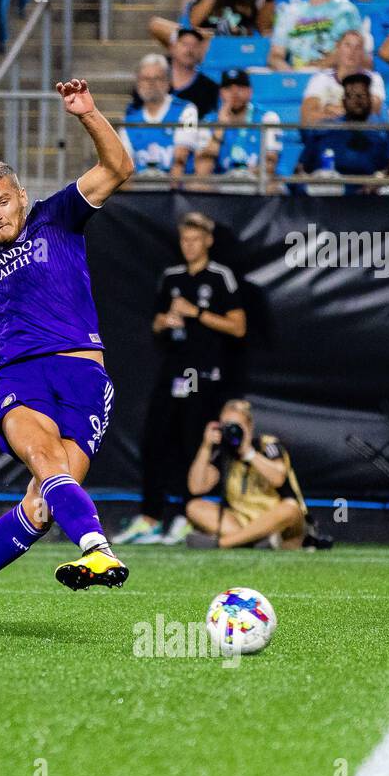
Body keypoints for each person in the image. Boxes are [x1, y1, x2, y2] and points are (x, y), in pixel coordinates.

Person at [0, 78, 135, 641]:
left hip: (85, 375)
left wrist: (87, 114)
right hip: (20, 376)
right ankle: (96, 549)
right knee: (45, 461)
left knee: (42, 506)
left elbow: (118, 166)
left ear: (20, 195)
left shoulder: (57, 216)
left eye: (2, 202)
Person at [115, 212, 246, 546]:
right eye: (184, 240)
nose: (189, 246)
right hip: (174, 370)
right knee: (154, 441)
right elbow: (157, 321)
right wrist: (167, 320)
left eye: (195, 240)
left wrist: (196, 313)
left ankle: (191, 516)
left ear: (208, 241)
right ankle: (150, 518)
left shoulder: (220, 277)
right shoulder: (171, 277)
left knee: (195, 444)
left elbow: (238, 326)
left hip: (205, 373)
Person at [183, 398, 310, 549]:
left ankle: (224, 543)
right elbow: (196, 488)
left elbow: (278, 479)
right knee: (194, 507)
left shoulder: (266, 445)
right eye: (226, 426)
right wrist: (205, 447)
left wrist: (248, 453)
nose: (231, 431)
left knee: (290, 509)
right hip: (242, 521)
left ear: (249, 427)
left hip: (277, 521)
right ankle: (256, 541)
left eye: (236, 426)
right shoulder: (223, 452)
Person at [297, 71, 389, 186]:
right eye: (350, 96)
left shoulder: (383, 132)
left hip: (370, 195)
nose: (357, 101)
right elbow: (304, 168)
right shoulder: (325, 131)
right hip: (330, 193)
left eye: (362, 95)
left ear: (369, 99)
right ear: (343, 101)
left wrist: (379, 180)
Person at [269, 0, 362, 69]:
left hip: (333, 76)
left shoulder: (347, 11)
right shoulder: (289, 11)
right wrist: (290, 74)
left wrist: (316, 68)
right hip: (296, 75)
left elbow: (355, 50)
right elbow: (276, 55)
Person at [119, 53, 203, 181]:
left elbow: (180, 160)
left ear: (168, 81)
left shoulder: (188, 111)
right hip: (140, 191)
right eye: (145, 79)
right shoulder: (129, 119)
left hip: (176, 191)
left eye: (157, 78)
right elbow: (125, 166)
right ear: (138, 83)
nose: (151, 84)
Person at [194, 68, 283, 181]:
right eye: (228, 88)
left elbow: (270, 165)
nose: (234, 92)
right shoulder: (208, 122)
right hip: (220, 184)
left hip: (256, 181)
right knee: (197, 185)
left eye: (240, 87)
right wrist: (220, 128)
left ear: (250, 91)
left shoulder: (268, 118)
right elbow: (202, 171)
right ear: (221, 93)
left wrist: (242, 176)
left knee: (273, 186)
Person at [300, 28, 386, 124]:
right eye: (347, 45)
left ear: (363, 53)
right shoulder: (320, 78)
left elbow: (373, 110)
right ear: (338, 47)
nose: (352, 51)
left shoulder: (374, 79)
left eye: (357, 47)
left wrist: (329, 109)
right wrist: (349, 114)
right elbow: (307, 116)